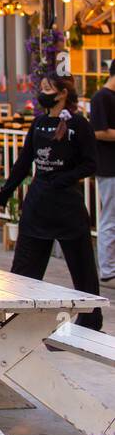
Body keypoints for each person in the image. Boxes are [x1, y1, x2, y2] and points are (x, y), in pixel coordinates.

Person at [0, 73, 103, 330]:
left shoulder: (78, 124)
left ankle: (90, 321)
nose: (43, 92)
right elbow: (23, 162)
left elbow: (90, 163)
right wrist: (3, 194)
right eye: (41, 88)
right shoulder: (39, 123)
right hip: (38, 204)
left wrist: (64, 178)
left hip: (67, 206)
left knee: (82, 267)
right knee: (25, 268)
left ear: (62, 93)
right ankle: (15, 320)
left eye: (48, 88)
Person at [87, 59, 115, 282]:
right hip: (109, 167)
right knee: (110, 219)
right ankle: (108, 271)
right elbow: (98, 131)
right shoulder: (101, 97)